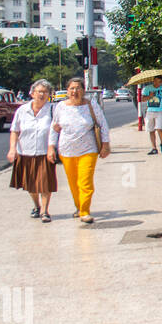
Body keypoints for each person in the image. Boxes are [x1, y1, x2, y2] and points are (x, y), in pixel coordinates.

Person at [48, 77, 111, 224]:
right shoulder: (60, 107)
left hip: (88, 150)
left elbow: (103, 124)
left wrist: (105, 145)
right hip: (67, 150)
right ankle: (78, 206)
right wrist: (51, 147)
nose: (75, 91)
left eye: (78, 88)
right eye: (72, 88)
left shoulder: (91, 105)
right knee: (73, 183)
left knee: (86, 182)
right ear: (67, 90)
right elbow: (54, 128)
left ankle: (84, 211)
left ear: (83, 90)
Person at [7, 78, 58, 223]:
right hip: (25, 152)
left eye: (45, 92)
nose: (41, 95)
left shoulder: (52, 110)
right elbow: (15, 131)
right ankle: (36, 205)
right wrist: (12, 149)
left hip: (45, 152)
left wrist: (52, 147)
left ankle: (44, 211)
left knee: (45, 183)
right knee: (31, 185)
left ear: (49, 94)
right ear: (32, 93)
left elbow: (56, 129)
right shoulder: (22, 110)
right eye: (39, 92)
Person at [144, 75, 162, 155]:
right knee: (151, 130)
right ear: (153, 81)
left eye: (160, 82)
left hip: (160, 110)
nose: (158, 83)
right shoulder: (147, 88)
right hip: (150, 111)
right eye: (156, 81)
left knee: (159, 128)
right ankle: (154, 147)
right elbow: (142, 99)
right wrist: (149, 96)